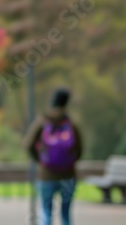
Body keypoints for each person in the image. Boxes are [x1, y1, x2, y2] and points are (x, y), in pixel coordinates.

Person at [24, 89, 83, 225]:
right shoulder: (71, 124)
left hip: (46, 175)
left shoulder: (43, 121)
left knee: (46, 212)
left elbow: (28, 144)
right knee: (66, 214)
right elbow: (79, 149)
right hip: (68, 176)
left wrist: (40, 160)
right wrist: (70, 162)